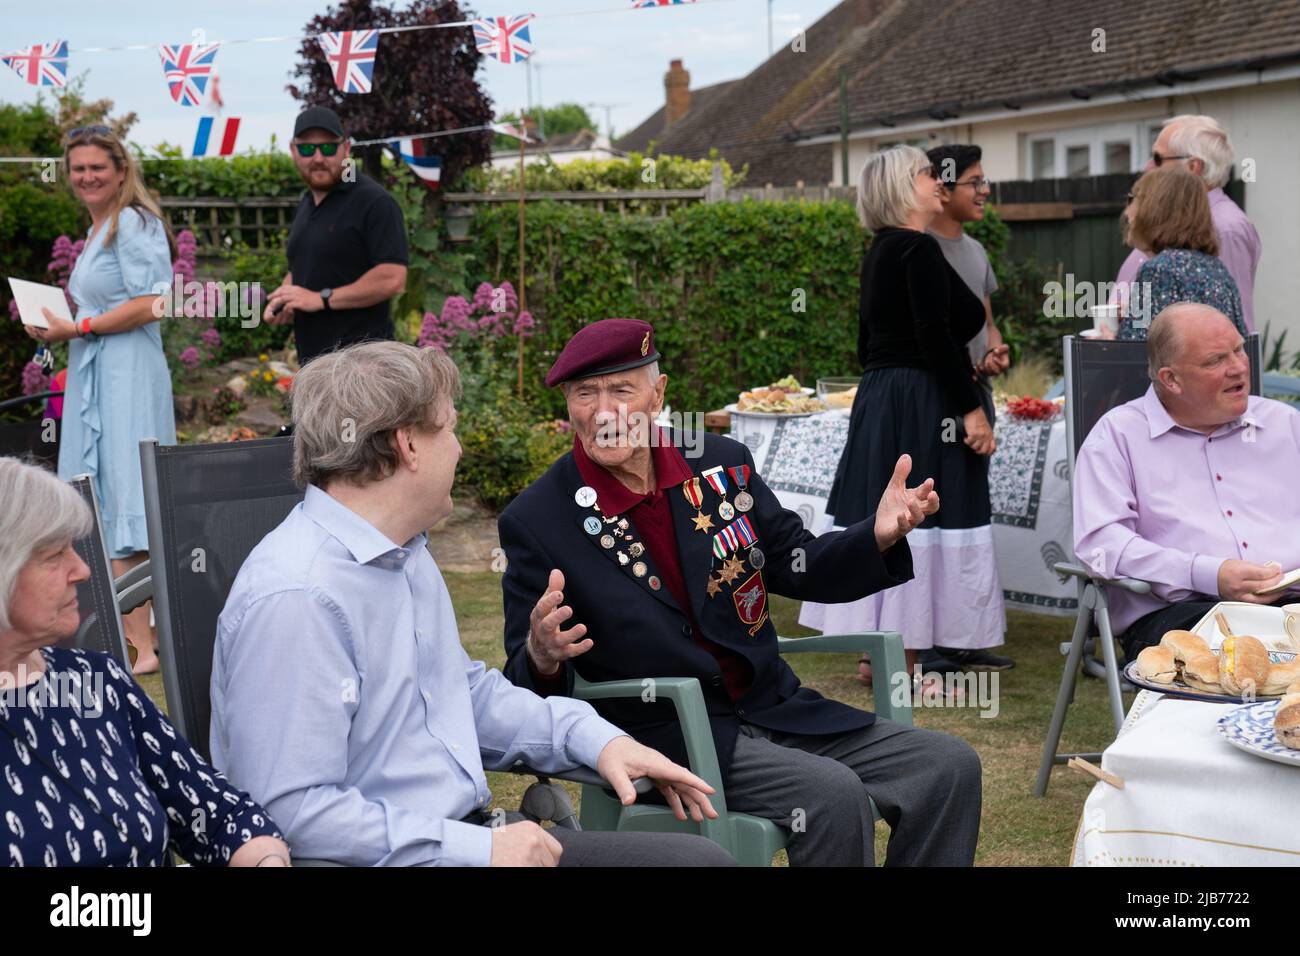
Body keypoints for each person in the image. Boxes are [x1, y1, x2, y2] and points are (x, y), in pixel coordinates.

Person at [210, 341, 734, 867]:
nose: (459, 448)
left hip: (464, 840)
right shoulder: (298, 598)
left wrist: (596, 740)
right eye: (449, 427)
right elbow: (290, 812)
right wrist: (478, 848)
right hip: (401, 856)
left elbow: (460, 695)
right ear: (408, 444)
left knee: (699, 861)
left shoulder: (401, 552)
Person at [499, 318, 982, 867]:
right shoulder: (538, 519)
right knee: (831, 794)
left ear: (658, 395)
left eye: (622, 389)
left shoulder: (720, 464)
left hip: (774, 707)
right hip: (667, 739)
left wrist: (877, 533)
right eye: (585, 393)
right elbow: (522, 689)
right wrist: (541, 654)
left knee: (948, 764)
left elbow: (795, 564)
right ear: (567, 403)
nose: (604, 411)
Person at [0, 457, 289, 867]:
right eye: (54, 556)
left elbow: (219, 817)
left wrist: (265, 860)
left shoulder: (96, 683)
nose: (81, 569)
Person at [822, 145, 1007, 685]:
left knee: (892, 514)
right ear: (906, 187)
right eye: (929, 174)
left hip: (884, 395)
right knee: (919, 515)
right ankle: (901, 663)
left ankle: (884, 655)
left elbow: (868, 343)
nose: (938, 181)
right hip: (922, 399)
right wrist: (970, 411)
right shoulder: (918, 249)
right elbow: (934, 339)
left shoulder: (882, 249)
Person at [23, 126, 176, 676]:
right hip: (96, 369)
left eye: (97, 167)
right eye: (78, 168)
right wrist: (58, 327)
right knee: (102, 493)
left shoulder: (133, 224)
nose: (86, 176)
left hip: (128, 372)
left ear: (120, 171)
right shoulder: (98, 228)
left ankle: (144, 648)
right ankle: (133, 636)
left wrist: (79, 326)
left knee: (127, 491)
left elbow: (156, 303)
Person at [1073, 303, 1300, 662]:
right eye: (1215, 361)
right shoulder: (1118, 437)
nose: (1239, 367)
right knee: (1253, 657)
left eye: (1239, 350)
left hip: (1293, 604)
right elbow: (1102, 545)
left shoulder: (1286, 425)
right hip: (1183, 616)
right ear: (1171, 380)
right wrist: (1208, 574)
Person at [924, 142, 1014, 672]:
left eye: (985, 181)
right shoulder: (918, 249)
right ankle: (923, 641)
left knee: (967, 518)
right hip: (942, 402)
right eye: (974, 182)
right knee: (935, 519)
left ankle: (962, 634)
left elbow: (986, 321)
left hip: (976, 394)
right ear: (943, 187)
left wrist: (996, 351)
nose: (984, 191)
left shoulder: (975, 251)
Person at [264, 106, 408, 365]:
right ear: (293, 151)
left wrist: (321, 299)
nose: (318, 157)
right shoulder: (307, 203)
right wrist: (285, 298)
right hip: (315, 366)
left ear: (346, 149)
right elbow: (303, 266)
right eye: (307, 149)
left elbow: (393, 278)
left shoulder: (374, 202)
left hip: (364, 367)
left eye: (328, 148)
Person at [1114, 114, 1261, 330]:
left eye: (1157, 158)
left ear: (1194, 167)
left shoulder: (1225, 227)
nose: (1147, 167)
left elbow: (1226, 329)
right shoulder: (1174, 221)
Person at [1113, 166, 1245, 341]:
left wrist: (1108, 341)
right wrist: (1133, 313)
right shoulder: (1217, 269)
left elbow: (1135, 351)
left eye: (1133, 199)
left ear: (1154, 209)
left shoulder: (1157, 270)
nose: (1127, 212)